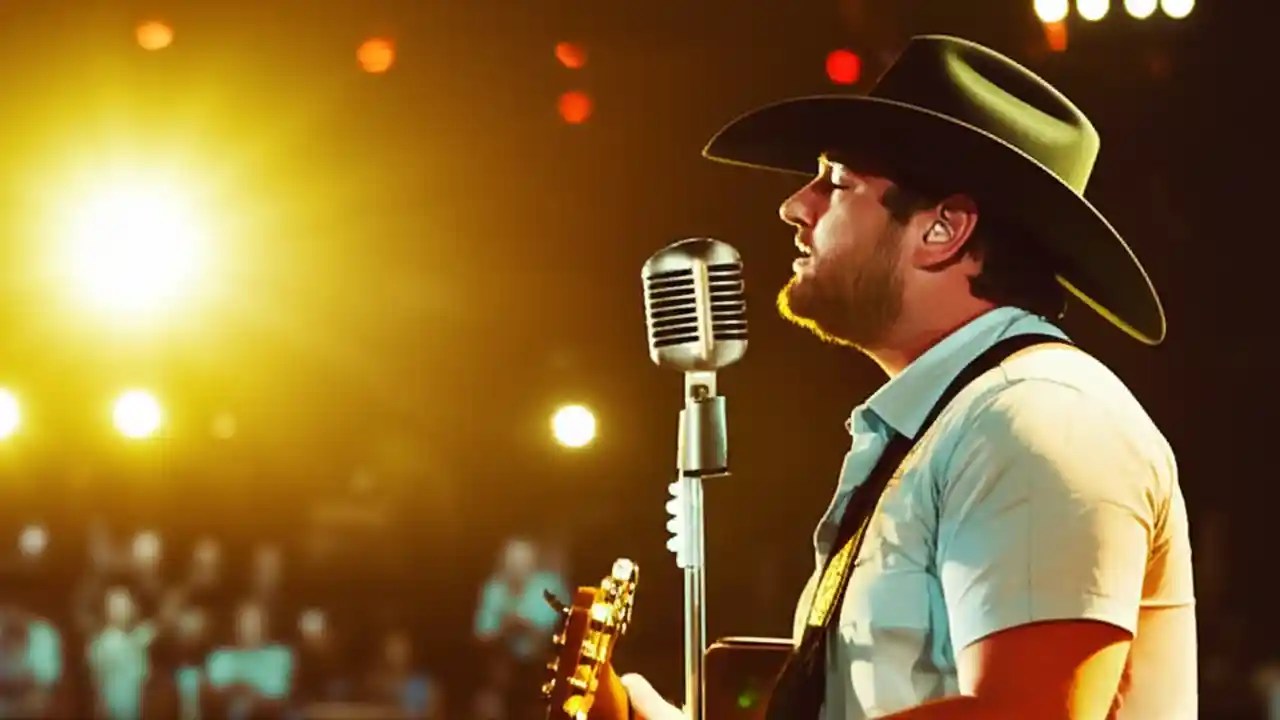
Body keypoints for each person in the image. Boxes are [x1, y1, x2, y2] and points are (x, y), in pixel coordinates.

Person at [599, 34, 1195, 719]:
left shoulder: (1039, 415)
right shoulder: (959, 424)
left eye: (837, 182)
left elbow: (1025, 715)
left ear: (943, 230)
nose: (796, 206)